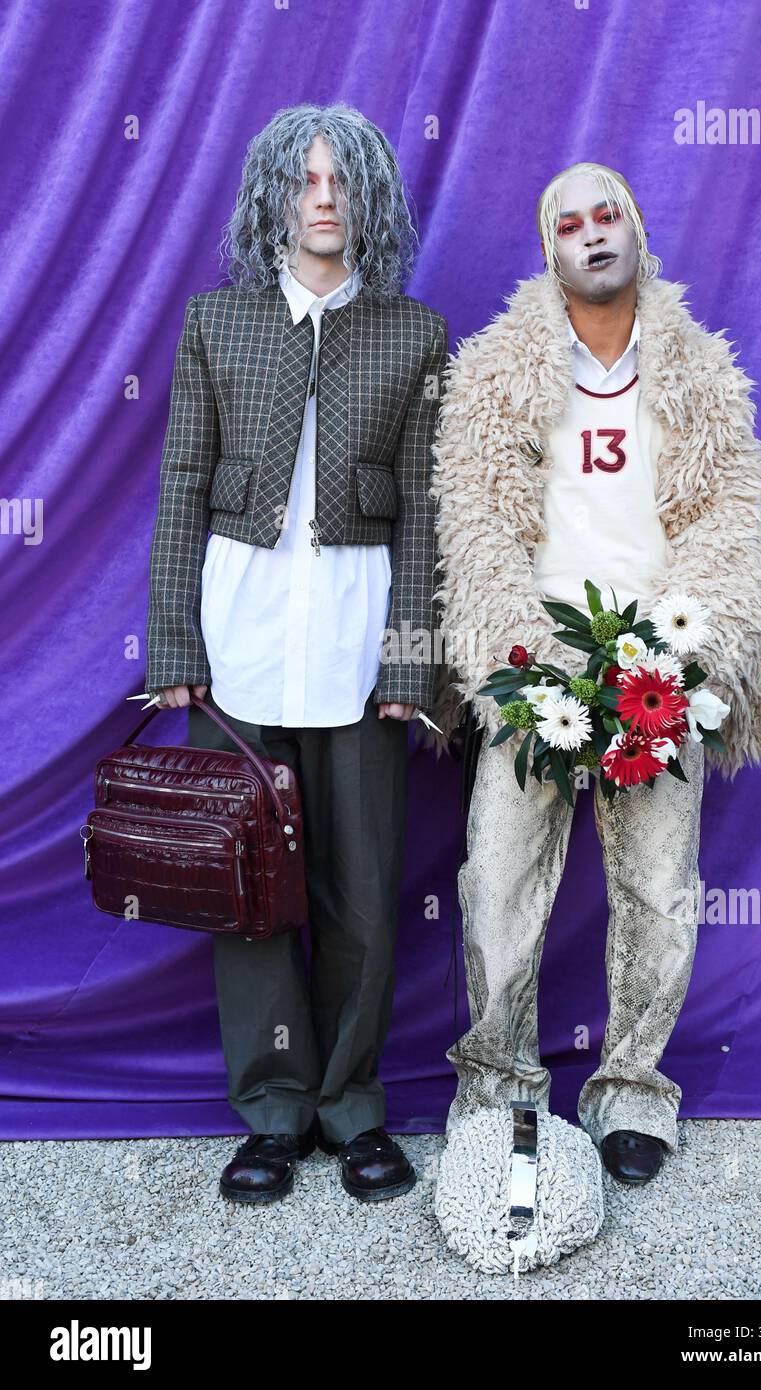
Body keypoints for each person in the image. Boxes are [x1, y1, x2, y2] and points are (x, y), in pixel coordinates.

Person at [429, 162, 761, 1185]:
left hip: (653, 661)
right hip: (534, 658)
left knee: (656, 883)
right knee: (496, 876)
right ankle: (498, 1086)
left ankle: (631, 1089)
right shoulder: (498, 367)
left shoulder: (698, 371)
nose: (589, 234)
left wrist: (681, 656)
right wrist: (520, 649)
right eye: (567, 223)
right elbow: (475, 520)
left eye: (606, 217)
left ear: (636, 232)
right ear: (545, 249)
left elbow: (725, 523)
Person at [144, 103, 447, 1204]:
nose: (325, 197)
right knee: (251, 894)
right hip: (238, 651)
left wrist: (412, 667)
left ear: (370, 200)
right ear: (274, 194)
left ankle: (350, 1110)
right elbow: (181, 485)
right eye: (305, 179)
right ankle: (273, 1112)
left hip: (360, 651)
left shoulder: (414, 333)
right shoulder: (214, 323)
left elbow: (420, 510)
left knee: (363, 897)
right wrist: (174, 637)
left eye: (343, 181)